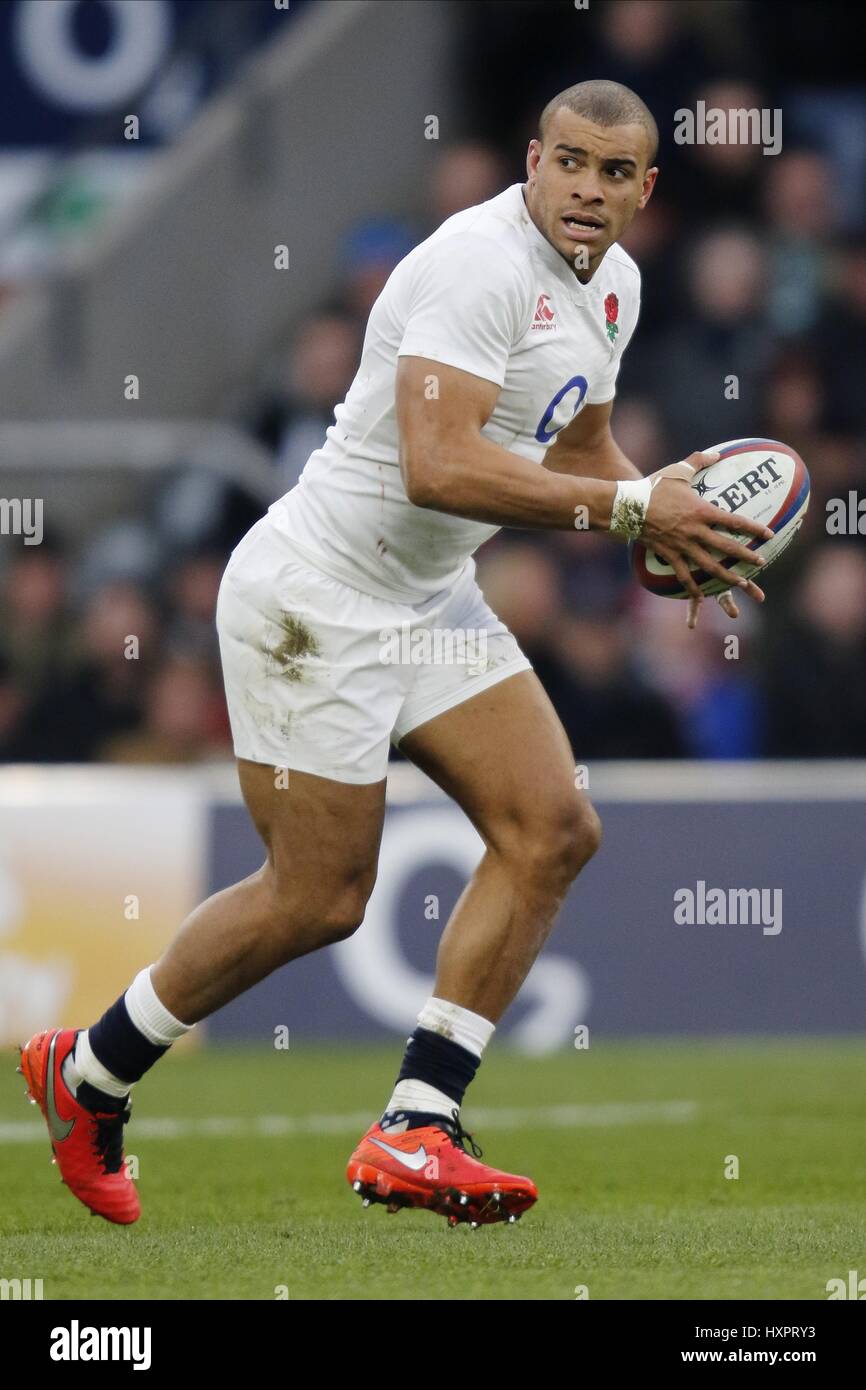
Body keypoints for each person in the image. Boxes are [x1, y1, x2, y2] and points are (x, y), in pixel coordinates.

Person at [20, 79, 770, 1229]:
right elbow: (437, 464)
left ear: (644, 190)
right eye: (567, 161)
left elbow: (582, 447)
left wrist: (668, 515)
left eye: (612, 173)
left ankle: (417, 1124)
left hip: (425, 593)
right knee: (317, 896)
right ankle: (89, 1074)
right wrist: (628, 517)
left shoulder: (611, 286)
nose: (584, 188)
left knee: (552, 827)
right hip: (314, 596)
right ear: (532, 160)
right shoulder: (478, 264)